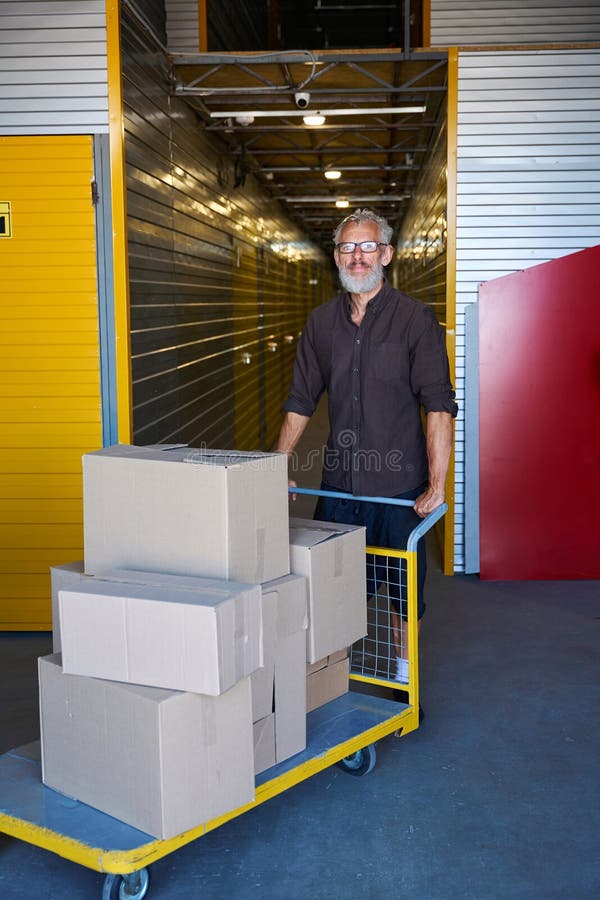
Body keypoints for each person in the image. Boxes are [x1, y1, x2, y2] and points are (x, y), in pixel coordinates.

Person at [275, 208, 458, 687]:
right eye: (347, 248)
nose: (357, 257)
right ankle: (327, 682)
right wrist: (277, 466)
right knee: (329, 589)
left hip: (398, 490)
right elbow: (300, 400)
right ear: (336, 256)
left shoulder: (415, 320)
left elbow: (438, 405)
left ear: (387, 254)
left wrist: (436, 486)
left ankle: (403, 678)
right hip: (339, 489)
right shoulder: (320, 324)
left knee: (402, 594)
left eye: (367, 246)